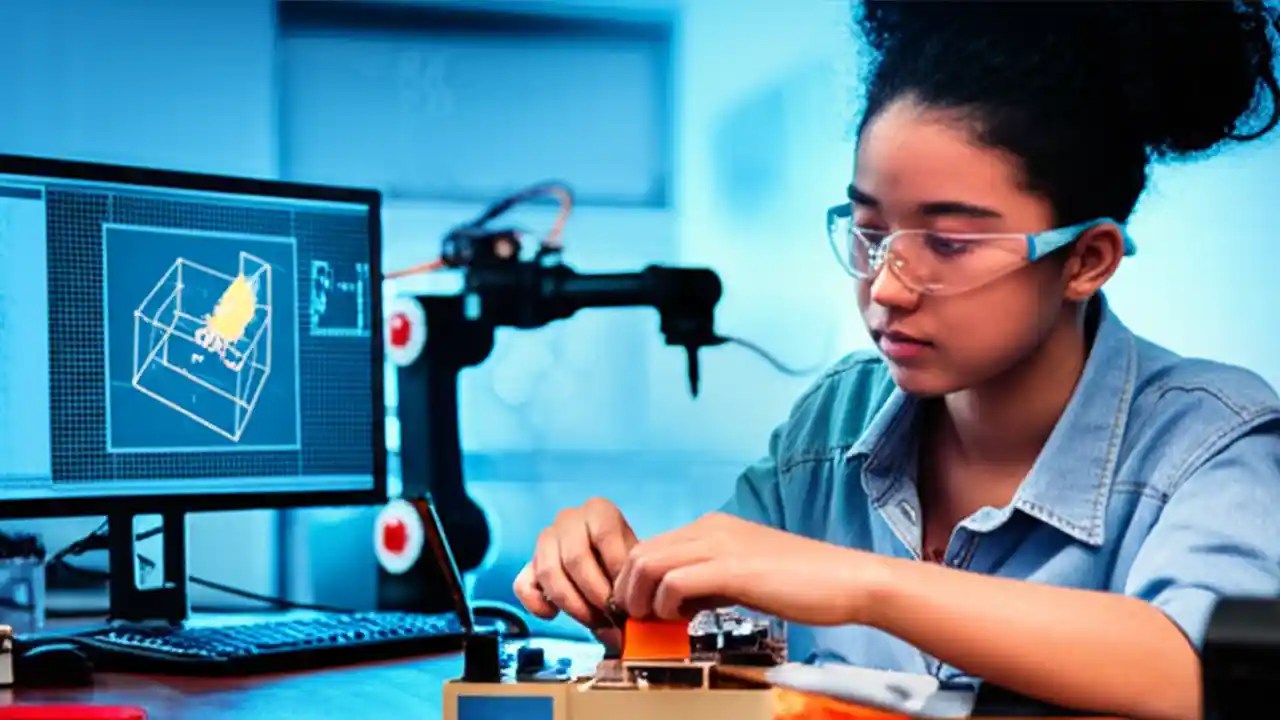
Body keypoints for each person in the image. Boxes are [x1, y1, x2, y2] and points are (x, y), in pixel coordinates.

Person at [513, 2, 1280, 719]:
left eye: (947, 244)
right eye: (870, 232)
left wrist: (861, 584)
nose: (885, 286)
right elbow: (716, 648)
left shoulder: (1210, 441)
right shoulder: (831, 426)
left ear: (1086, 260)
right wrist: (622, 590)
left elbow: (1207, 672)